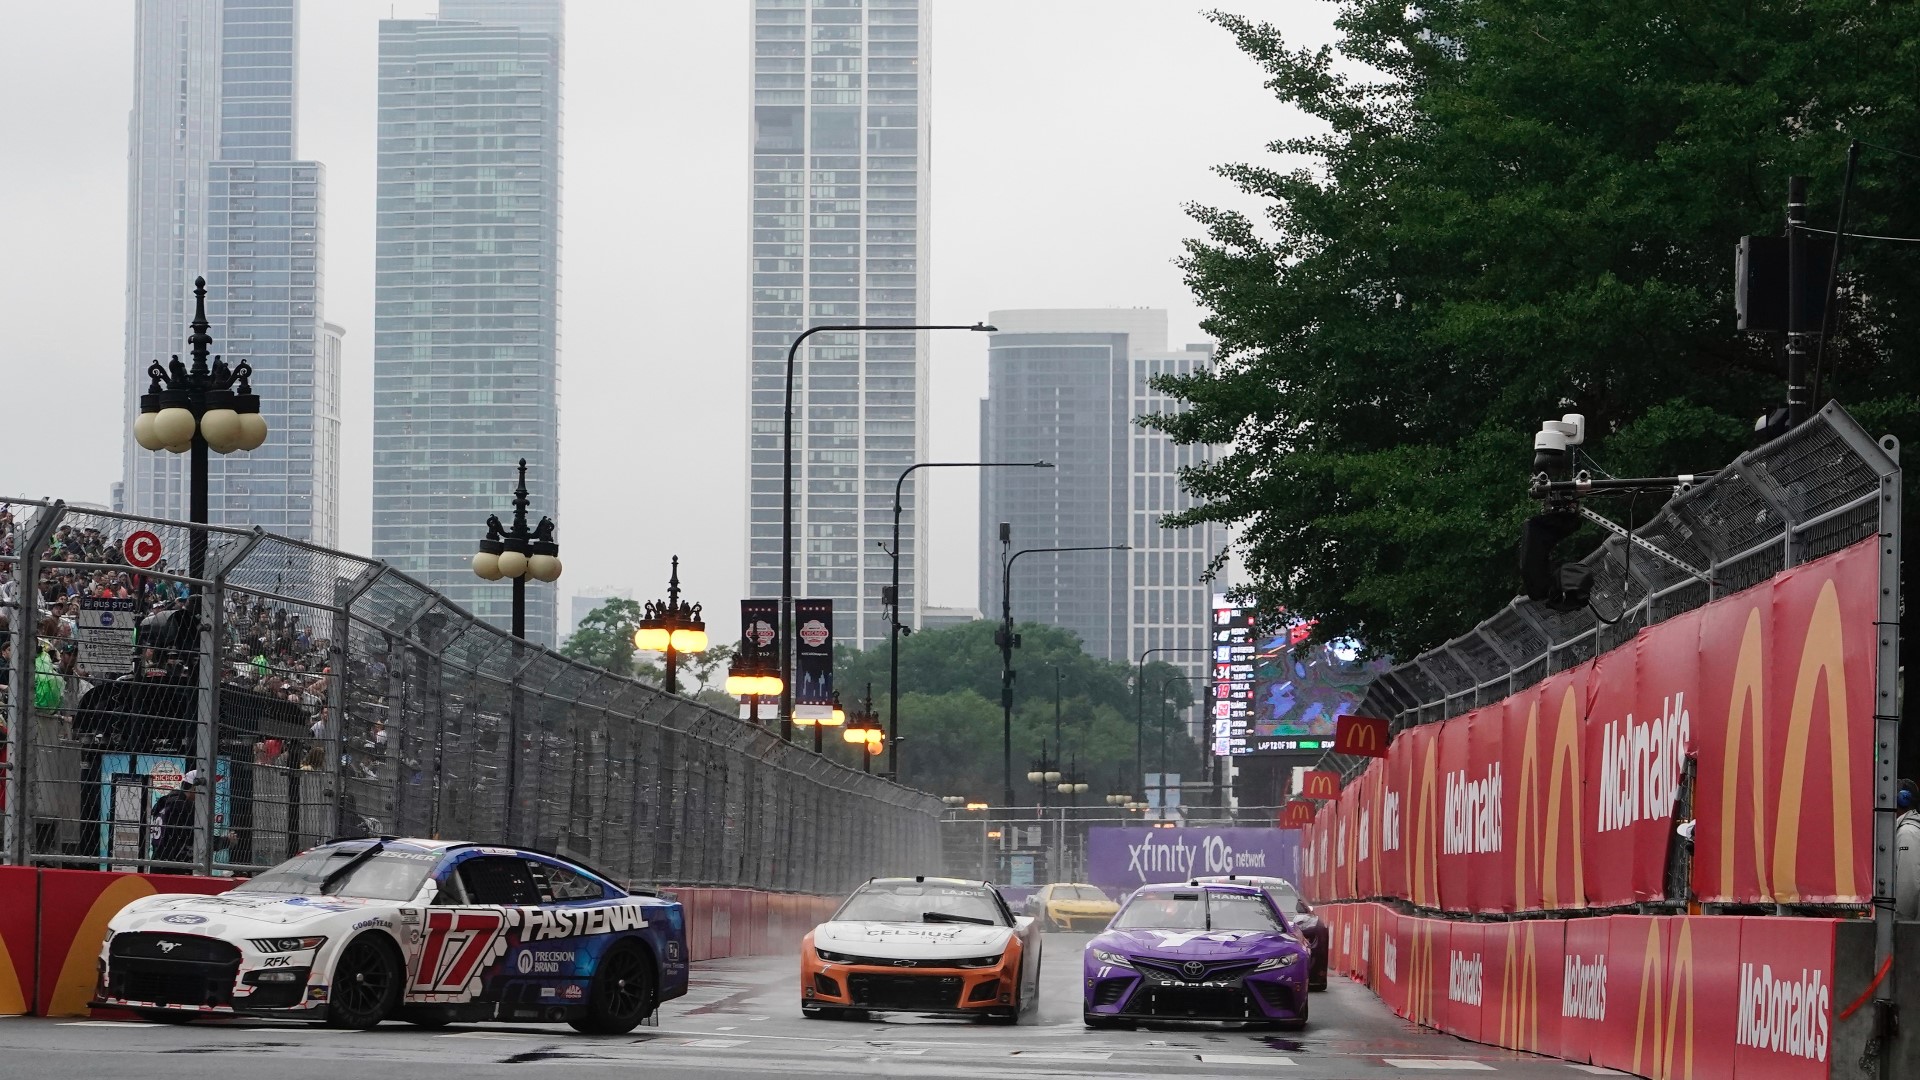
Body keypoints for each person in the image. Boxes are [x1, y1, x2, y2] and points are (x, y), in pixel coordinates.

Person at [148, 770, 232, 866]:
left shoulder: (165, 802)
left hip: (158, 863)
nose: (212, 792)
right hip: (176, 866)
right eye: (209, 788)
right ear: (196, 787)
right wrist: (226, 841)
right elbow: (199, 840)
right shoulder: (183, 806)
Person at [1896, 780, 1920, 920]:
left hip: (1908, 926)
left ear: (1902, 799)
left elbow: (1908, 884)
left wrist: (1902, 925)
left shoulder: (1907, 833)